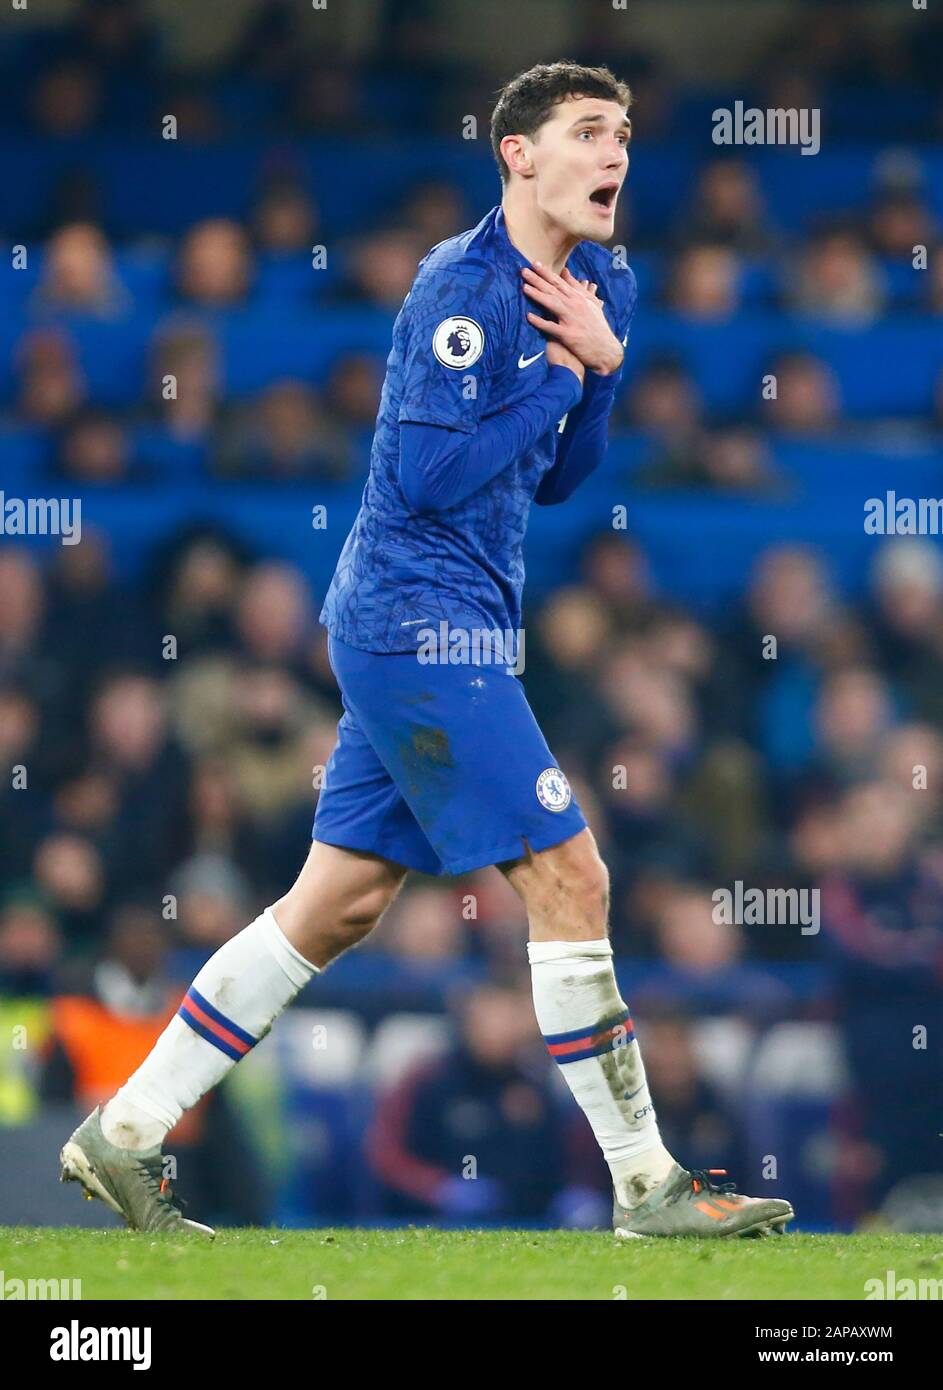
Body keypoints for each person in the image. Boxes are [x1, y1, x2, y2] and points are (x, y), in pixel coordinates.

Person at [60, 61, 793, 1241]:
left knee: (336, 903)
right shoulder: (461, 285)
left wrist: (598, 375)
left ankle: (126, 1131)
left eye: (623, 135)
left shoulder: (602, 277)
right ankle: (647, 1181)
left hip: (465, 625)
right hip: (413, 623)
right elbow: (427, 474)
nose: (616, 155)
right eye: (589, 132)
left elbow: (560, 477)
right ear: (519, 154)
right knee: (573, 878)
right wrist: (564, 374)